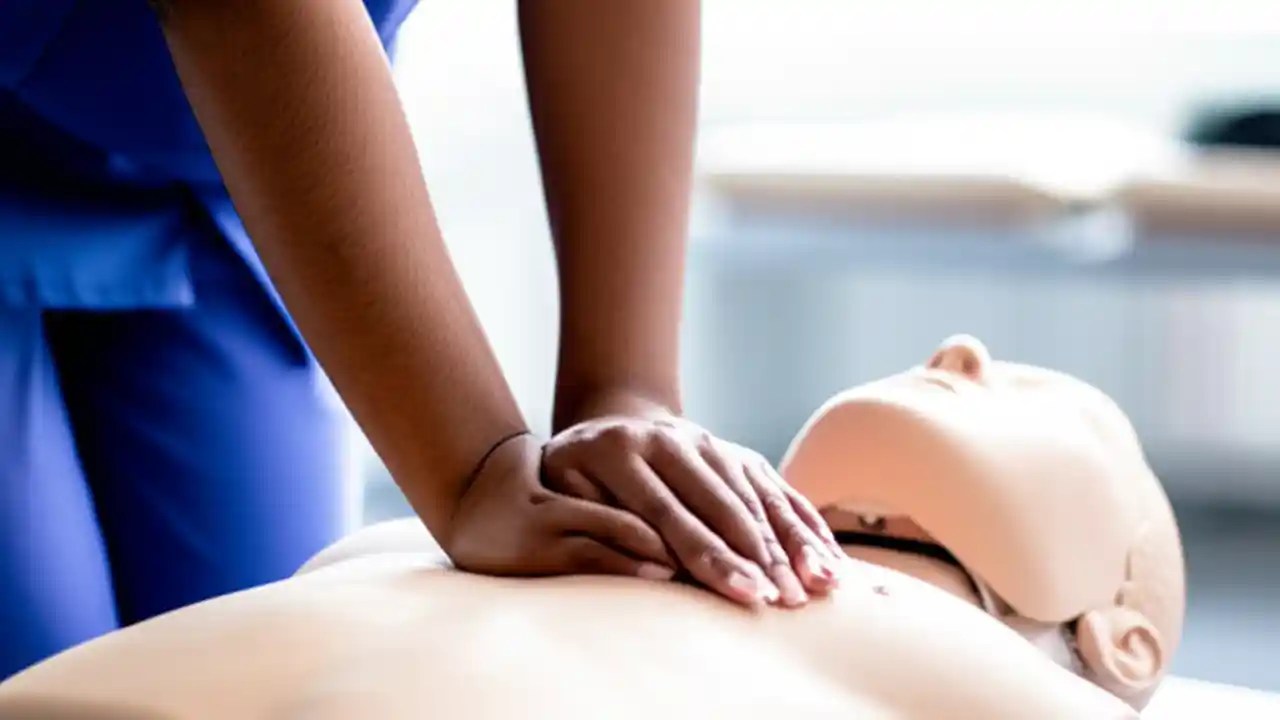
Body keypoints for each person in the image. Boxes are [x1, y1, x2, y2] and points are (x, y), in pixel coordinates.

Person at [0, 0, 840, 681]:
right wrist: (474, 469)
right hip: (209, 78)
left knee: (281, 671)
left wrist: (628, 389)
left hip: (213, 166)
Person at [0, 336, 1184, 719]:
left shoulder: (1008, 681)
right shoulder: (574, 524)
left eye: (1041, 398)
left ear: (1120, 638)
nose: (956, 351)